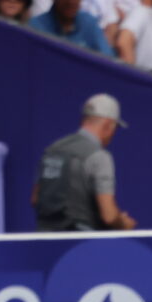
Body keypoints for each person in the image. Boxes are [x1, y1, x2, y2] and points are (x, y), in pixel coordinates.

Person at [31, 94, 134, 232]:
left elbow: (35, 199)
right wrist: (123, 223)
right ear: (109, 126)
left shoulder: (52, 150)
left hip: (44, 238)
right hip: (80, 243)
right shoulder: (99, 156)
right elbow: (109, 216)